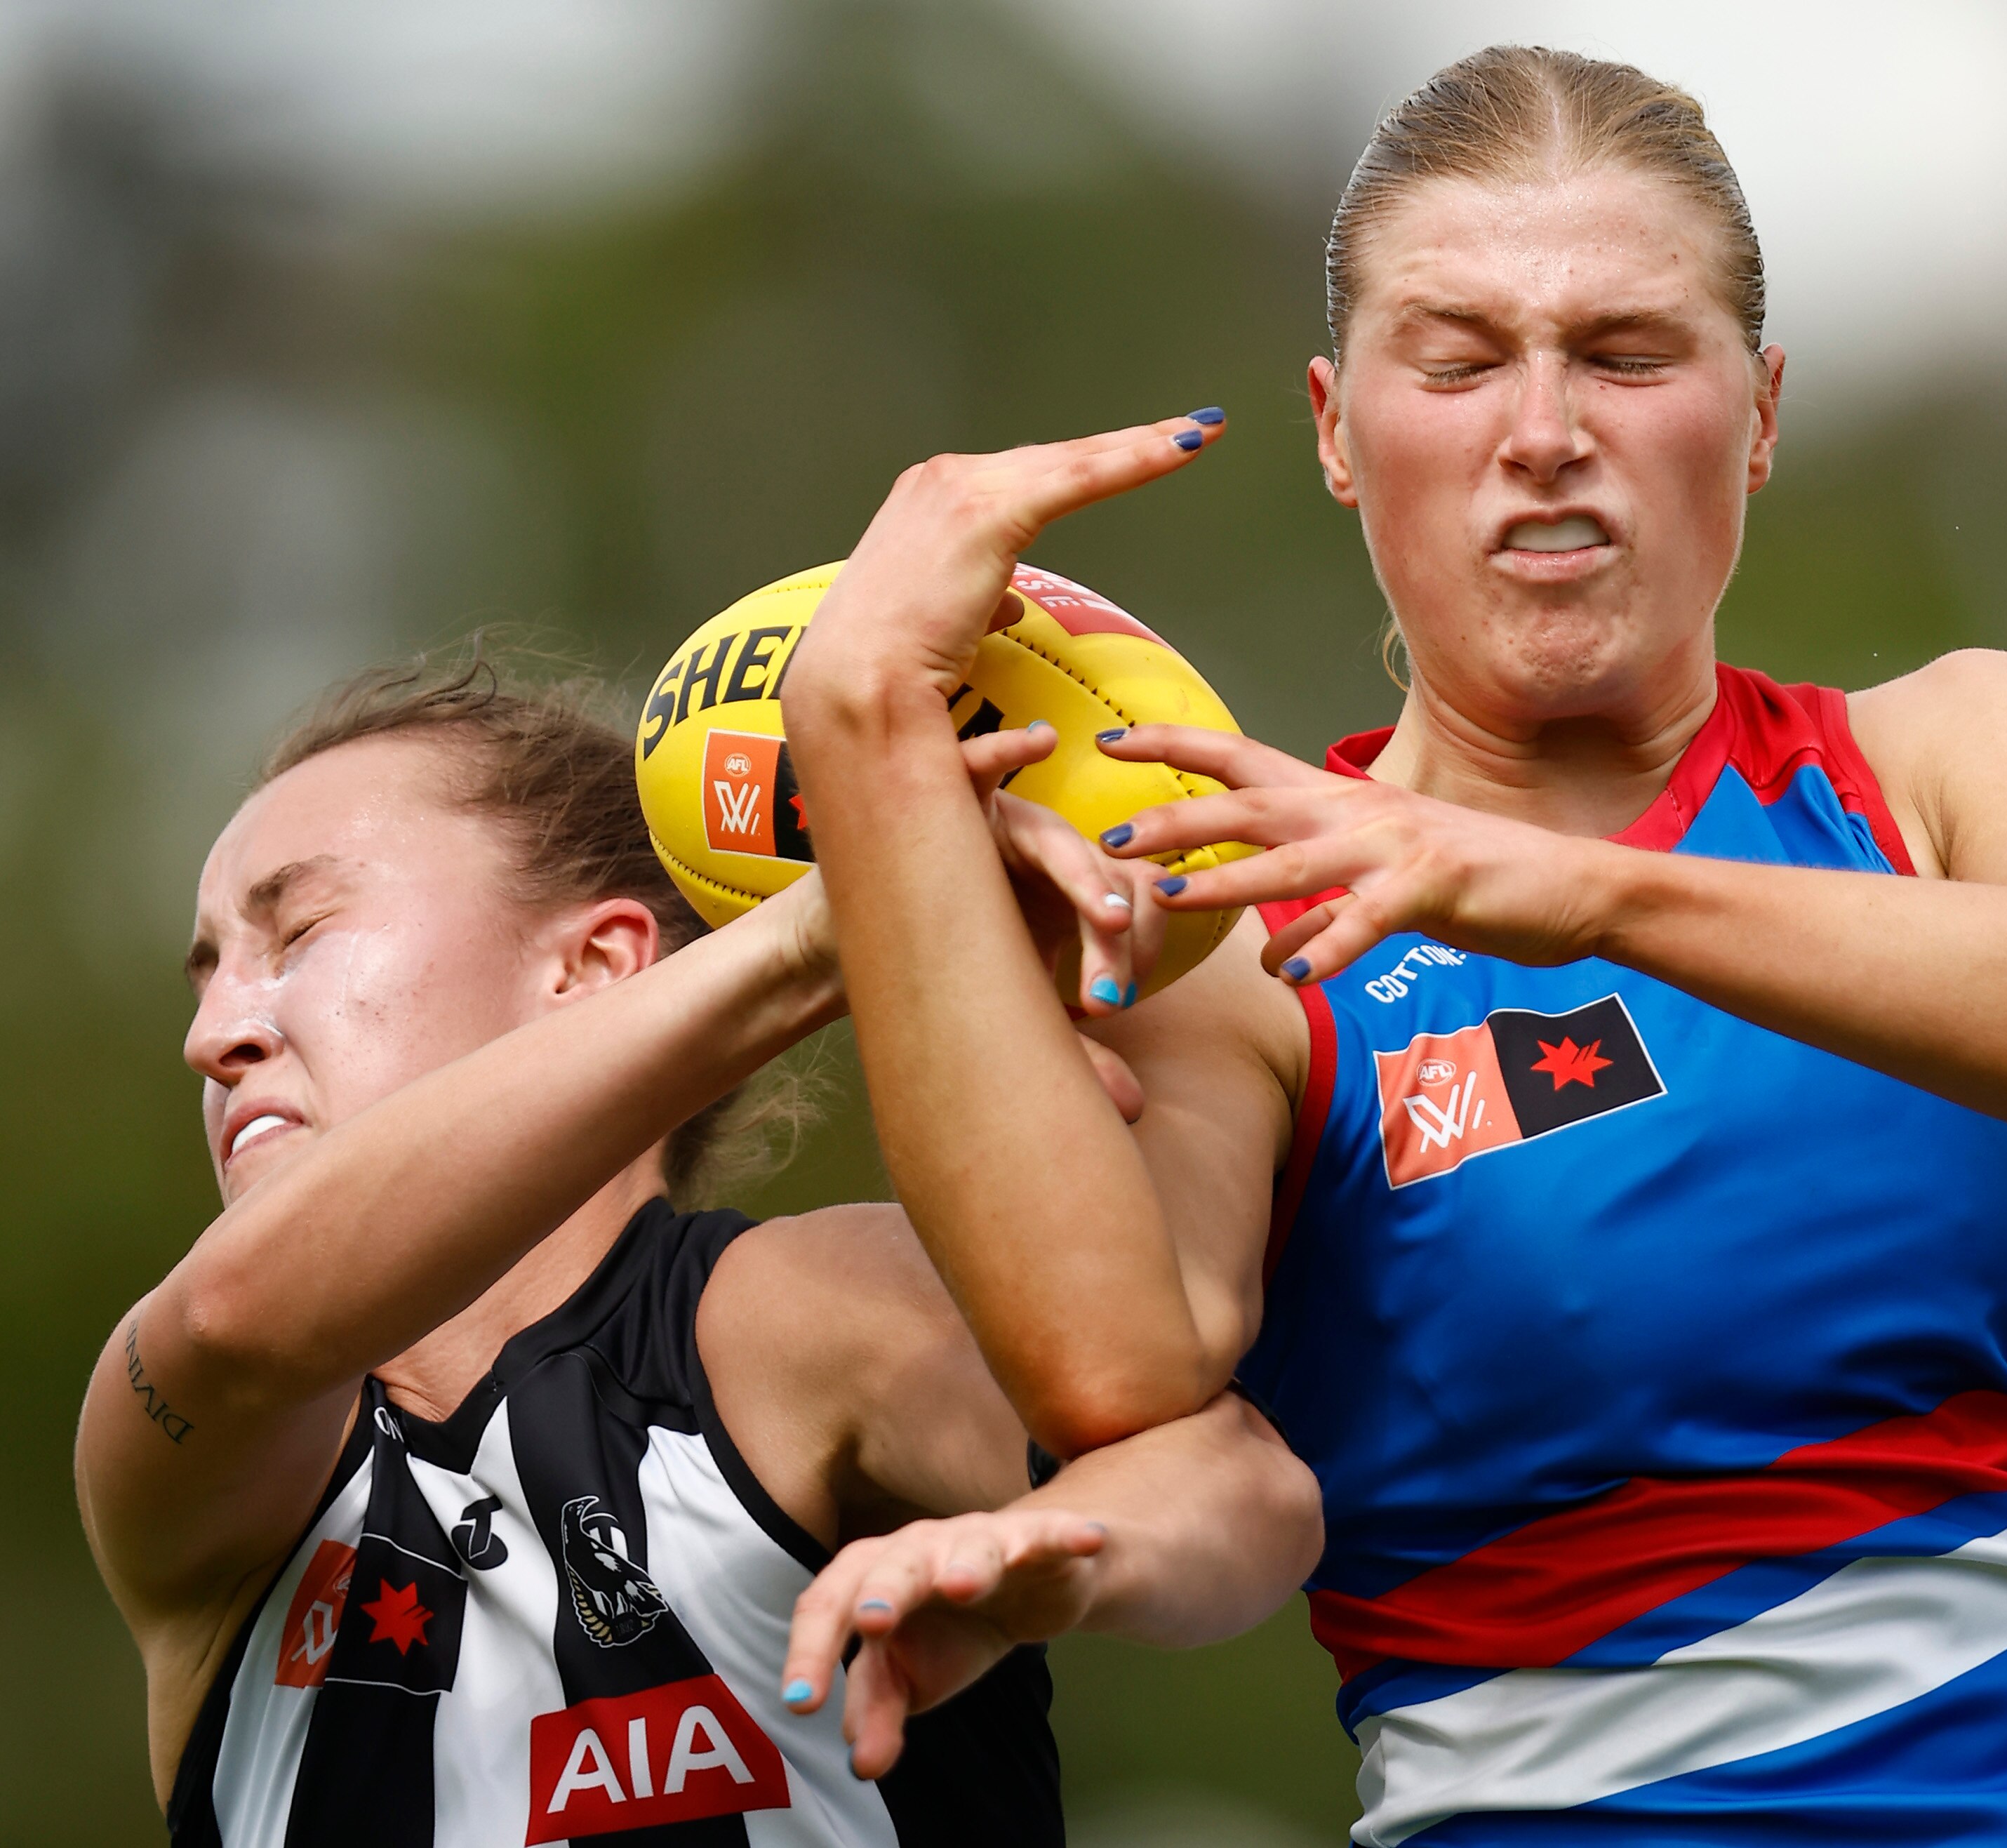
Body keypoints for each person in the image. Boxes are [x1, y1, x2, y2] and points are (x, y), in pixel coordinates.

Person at [776, 46, 2007, 1848]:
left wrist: (1591, 895)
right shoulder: (1256, 935)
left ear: (1755, 413)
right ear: (1335, 428)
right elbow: (1115, 1368)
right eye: (1455, 363)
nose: (1543, 430)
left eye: (1625, 354)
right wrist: (870, 742)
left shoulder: (1953, 756)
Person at [72, 658, 1321, 1847]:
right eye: (209, 976)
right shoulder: (197, 1438)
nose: (214, 1035)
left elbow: (1246, 1490)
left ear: (597, 968)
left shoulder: (783, 1316)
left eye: (294, 935)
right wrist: (837, 924)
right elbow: (240, 1318)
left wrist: (1065, 1552)